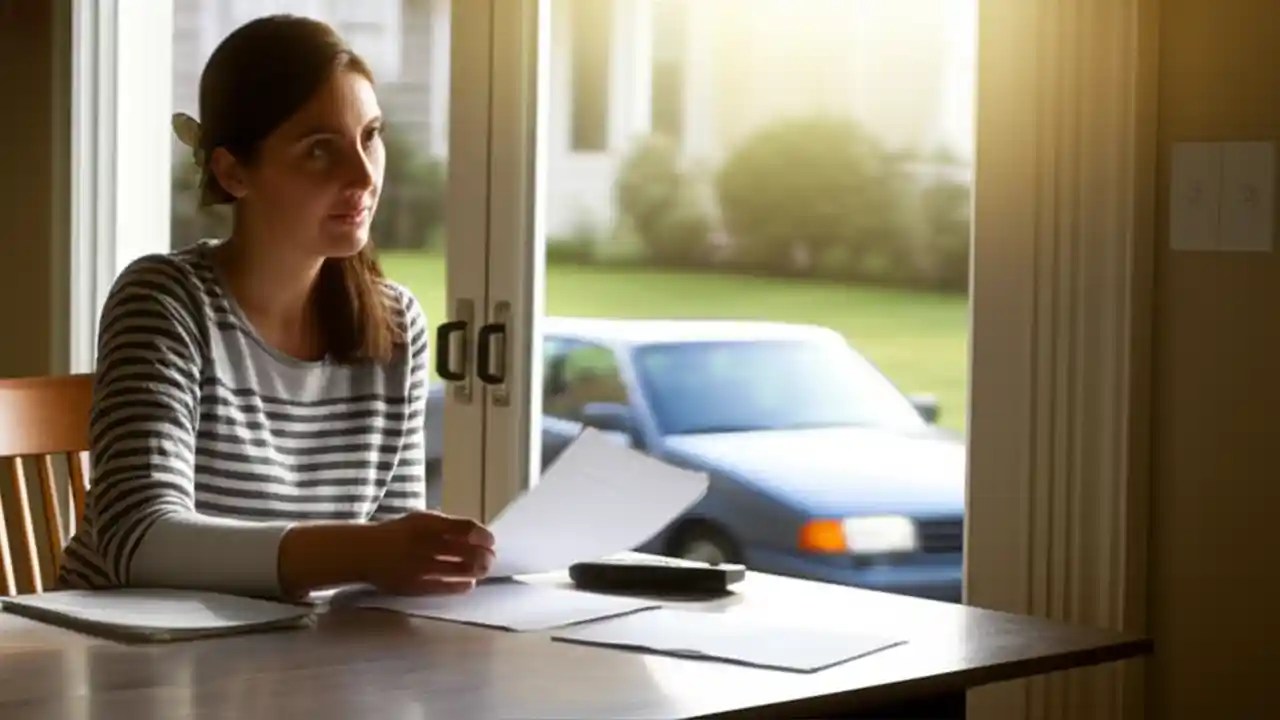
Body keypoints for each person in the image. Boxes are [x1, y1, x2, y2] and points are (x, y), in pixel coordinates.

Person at [57, 15, 495, 600]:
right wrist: (367, 551)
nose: (363, 175)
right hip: (123, 667)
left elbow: (388, 568)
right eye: (320, 150)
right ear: (234, 171)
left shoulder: (396, 326)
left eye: (370, 136)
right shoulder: (164, 301)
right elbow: (138, 538)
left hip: (283, 667)